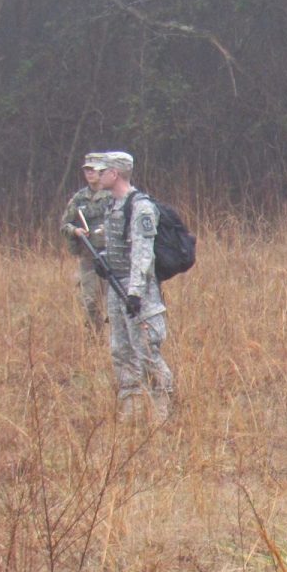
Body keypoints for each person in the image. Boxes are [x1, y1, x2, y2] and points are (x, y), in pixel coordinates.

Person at [77, 151, 174, 420]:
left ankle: (161, 406)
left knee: (146, 350)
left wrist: (135, 293)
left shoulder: (140, 207)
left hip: (138, 292)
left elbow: (143, 253)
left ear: (115, 173)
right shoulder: (112, 206)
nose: (97, 175)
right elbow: (118, 245)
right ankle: (131, 405)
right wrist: (104, 260)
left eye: (103, 170)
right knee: (120, 349)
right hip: (115, 287)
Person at [59, 153, 112, 332]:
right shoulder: (79, 198)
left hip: (113, 256)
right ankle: (94, 339)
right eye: (87, 170)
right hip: (89, 257)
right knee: (90, 302)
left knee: (114, 301)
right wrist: (75, 231)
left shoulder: (113, 194)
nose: (90, 173)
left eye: (93, 170)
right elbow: (65, 224)